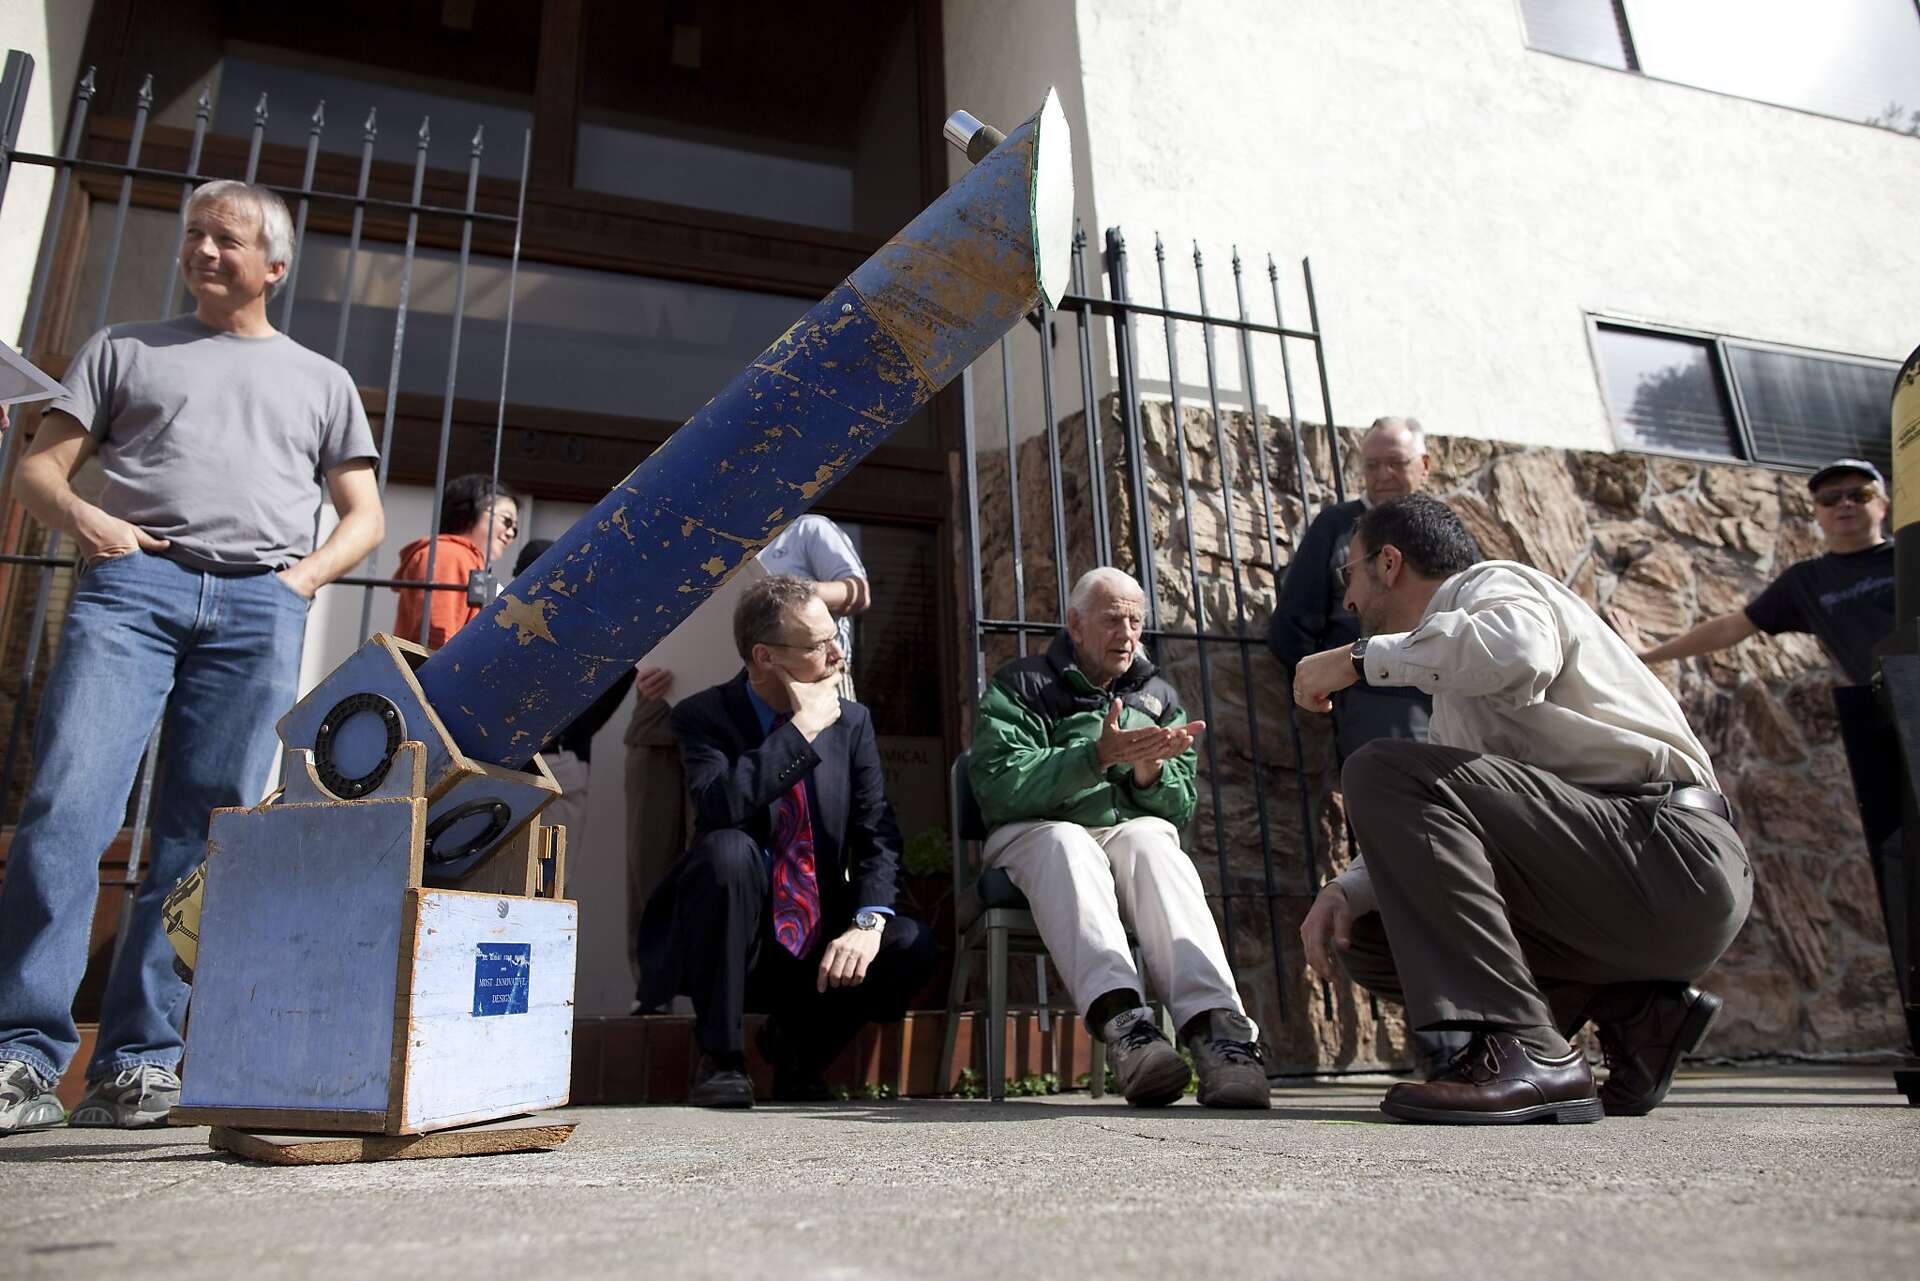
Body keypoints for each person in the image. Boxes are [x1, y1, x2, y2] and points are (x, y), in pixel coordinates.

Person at [0, 180, 383, 1134]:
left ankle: (140, 1059)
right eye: (196, 234)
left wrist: (299, 584)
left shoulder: (321, 379)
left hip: (259, 607)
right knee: (67, 807)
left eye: (227, 239)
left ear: (275, 268)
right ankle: (21, 1052)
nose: (204, 250)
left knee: (202, 837)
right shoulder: (122, 348)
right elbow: (40, 470)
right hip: (135, 590)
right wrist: (93, 523)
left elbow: (365, 516)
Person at [1294, 494, 1750, 1124]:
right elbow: (1440, 834)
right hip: (1617, 886)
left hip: (1670, 854)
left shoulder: (1490, 585)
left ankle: (1532, 1053)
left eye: (1350, 575)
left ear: (1389, 563)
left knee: (1379, 768)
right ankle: (1639, 1013)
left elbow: (1519, 656)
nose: (1346, 601)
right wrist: (1347, 889)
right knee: (1369, 935)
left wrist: (1359, 661)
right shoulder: (1454, 699)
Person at [970, 566, 1269, 1109]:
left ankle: (1219, 1035)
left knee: (1155, 841)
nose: (1127, 634)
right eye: (1112, 620)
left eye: (1135, 621)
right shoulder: (1022, 684)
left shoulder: (1157, 695)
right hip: (1032, 833)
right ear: (1076, 625)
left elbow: (1179, 807)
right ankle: (1128, 1030)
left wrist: (1149, 772)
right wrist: (1098, 755)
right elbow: (1001, 788)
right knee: (1068, 843)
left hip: (1119, 834)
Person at [634, 575, 935, 1108]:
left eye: (834, 634)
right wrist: (800, 732)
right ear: (765, 656)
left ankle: (798, 1054)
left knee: (909, 943)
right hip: (737, 940)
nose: (836, 652)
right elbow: (717, 805)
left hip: (819, 937)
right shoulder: (704, 717)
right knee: (727, 850)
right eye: (818, 644)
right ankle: (722, 1060)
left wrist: (867, 922)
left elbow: (877, 833)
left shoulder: (853, 722)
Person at [623, 512, 871, 1001]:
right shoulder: (685, 528)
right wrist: (644, 663)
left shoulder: (805, 530)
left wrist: (791, 606)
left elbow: (858, 591)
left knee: (741, 846)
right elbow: (642, 608)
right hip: (672, 698)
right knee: (650, 849)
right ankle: (651, 988)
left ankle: (759, 985)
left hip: (764, 706)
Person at [1637, 459, 1892, 688]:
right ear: (1816, 511)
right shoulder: (1806, 581)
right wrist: (1646, 654)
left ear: (1883, 505)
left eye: (1860, 495)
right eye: (1830, 498)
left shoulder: (1909, 553)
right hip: (1894, 705)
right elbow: (1730, 628)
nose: (1845, 504)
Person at [1269, 416, 1439, 757]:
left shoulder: (1443, 526)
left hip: (1446, 688)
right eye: (1372, 465)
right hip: (1372, 694)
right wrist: (1331, 683)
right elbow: (1293, 622)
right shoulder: (1336, 526)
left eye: (1395, 463)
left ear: (1424, 465)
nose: (1382, 475)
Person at [512, 539, 627, 857]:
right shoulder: (504, 620)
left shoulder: (588, 626)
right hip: (512, 762)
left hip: (563, 759)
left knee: (552, 873)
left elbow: (618, 677)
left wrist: (575, 733)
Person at [392, 473, 518, 649]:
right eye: (507, 521)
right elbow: (436, 638)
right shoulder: (449, 554)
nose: (511, 533)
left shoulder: (462, 557)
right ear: (471, 509)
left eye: (515, 529)